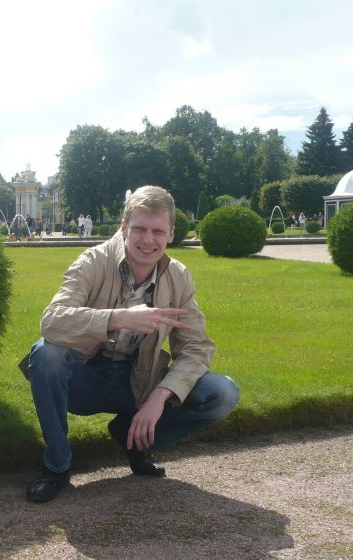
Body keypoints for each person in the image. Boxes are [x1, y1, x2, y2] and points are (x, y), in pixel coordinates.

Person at [20, 185, 240, 503]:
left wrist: (159, 398)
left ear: (171, 234)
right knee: (46, 355)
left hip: (139, 383)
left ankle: (133, 438)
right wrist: (118, 318)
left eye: (158, 231)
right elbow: (51, 322)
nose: (148, 240)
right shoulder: (93, 261)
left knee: (223, 393)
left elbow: (197, 347)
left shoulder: (178, 276)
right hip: (85, 377)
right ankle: (57, 466)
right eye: (139, 229)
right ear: (124, 228)